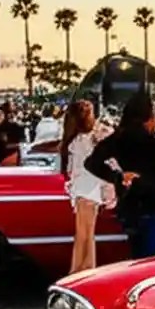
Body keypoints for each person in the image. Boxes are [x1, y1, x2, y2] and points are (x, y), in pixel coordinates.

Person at [85, 93, 155, 260]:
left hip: (131, 203)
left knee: (139, 258)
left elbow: (91, 162)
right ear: (148, 117)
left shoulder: (118, 138)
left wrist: (118, 177)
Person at [60, 101, 108, 273]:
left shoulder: (76, 139)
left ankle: (80, 270)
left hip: (83, 187)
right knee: (86, 235)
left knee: (83, 234)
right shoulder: (94, 137)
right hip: (91, 186)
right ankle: (82, 271)